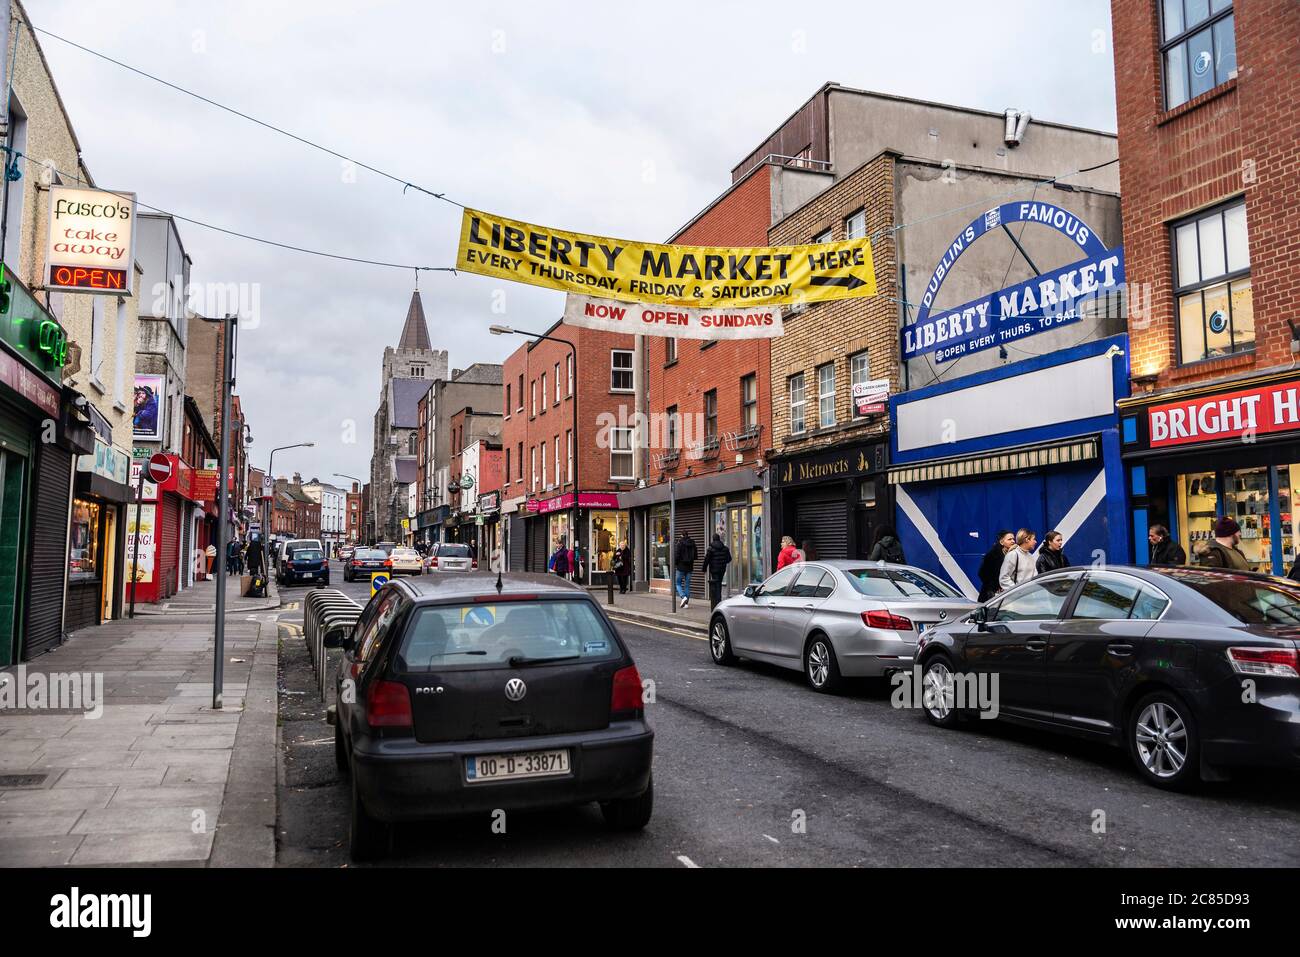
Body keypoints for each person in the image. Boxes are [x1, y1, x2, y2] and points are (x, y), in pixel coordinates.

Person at [977, 530, 1014, 602]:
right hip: (992, 594)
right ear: (1001, 542)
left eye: (1013, 539)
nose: (1013, 541)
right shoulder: (992, 555)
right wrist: (995, 587)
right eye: (1009, 539)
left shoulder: (1013, 554)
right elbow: (982, 573)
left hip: (1007, 592)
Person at [703, 533, 733, 610]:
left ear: (713, 539)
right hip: (722, 569)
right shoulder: (725, 548)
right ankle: (718, 600)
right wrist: (723, 562)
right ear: (719, 539)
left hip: (714, 570)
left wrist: (704, 568)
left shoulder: (710, 549)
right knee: (719, 584)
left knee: (715, 585)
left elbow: (707, 560)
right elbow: (729, 559)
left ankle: (716, 601)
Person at [673, 530, 697, 608]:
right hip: (690, 567)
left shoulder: (679, 543)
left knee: (678, 583)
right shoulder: (693, 543)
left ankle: (683, 597)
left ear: (681, 535)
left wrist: (676, 564)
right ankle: (686, 604)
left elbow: (677, 555)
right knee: (687, 585)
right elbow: (696, 555)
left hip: (680, 567)